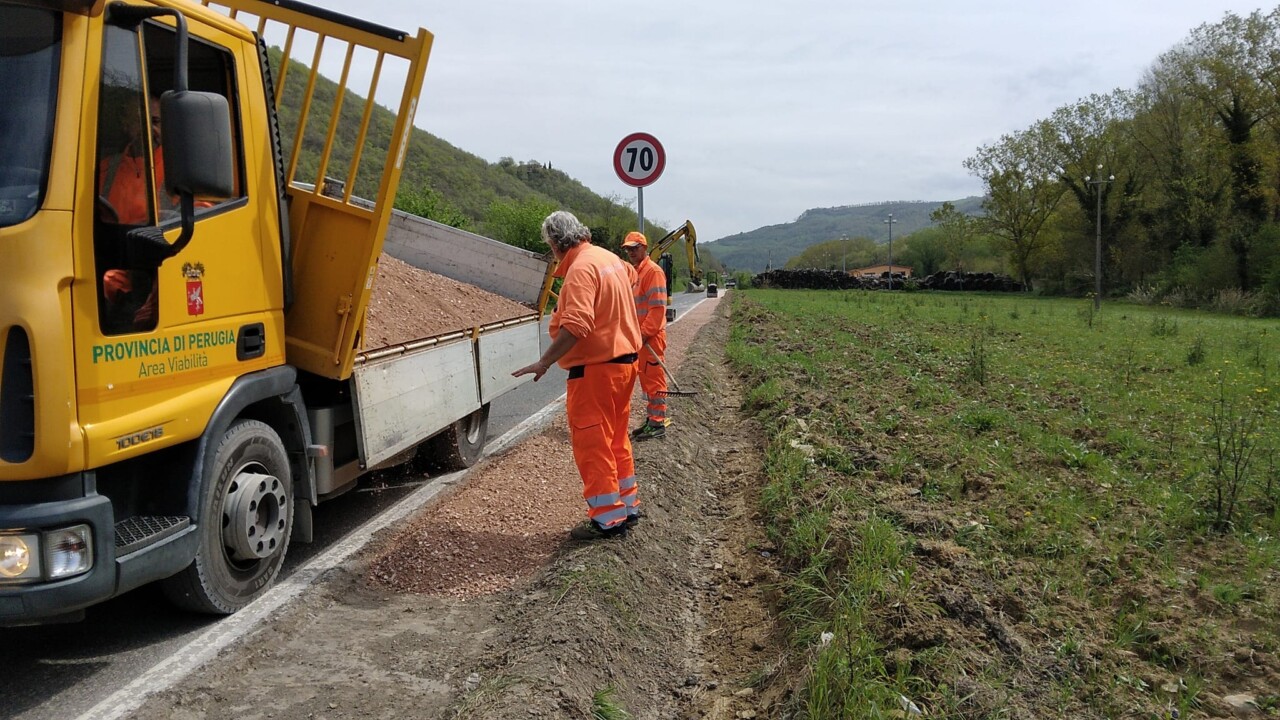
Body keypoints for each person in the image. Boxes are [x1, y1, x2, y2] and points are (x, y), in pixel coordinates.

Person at [512, 211, 643, 540]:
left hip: (597, 372)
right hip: (625, 365)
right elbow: (631, 278)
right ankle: (627, 506)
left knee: (593, 444)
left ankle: (607, 520)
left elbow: (577, 325)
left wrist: (544, 361)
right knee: (616, 440)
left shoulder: (581, 269)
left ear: (555, 244)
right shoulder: (606, 257)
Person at [98, 94, 167, 333]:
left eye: (156, 121)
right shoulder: (105, 168)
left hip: (153, 280)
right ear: (127, 126)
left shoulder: (180, 168)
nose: (149, 128)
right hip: (101, 271)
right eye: (141, 120)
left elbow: (203, 215)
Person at [621, 231, 669, 441]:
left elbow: (657, 309)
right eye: (628, 249)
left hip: (649, 337)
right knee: (646, 381)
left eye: (634, 248)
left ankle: (658, 424)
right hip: (639, 338)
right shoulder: (635, 273)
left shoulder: (653, 272)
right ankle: (651, 420)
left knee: (654, 381)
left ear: (644, 247)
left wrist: (643, 334)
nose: (631, 252)